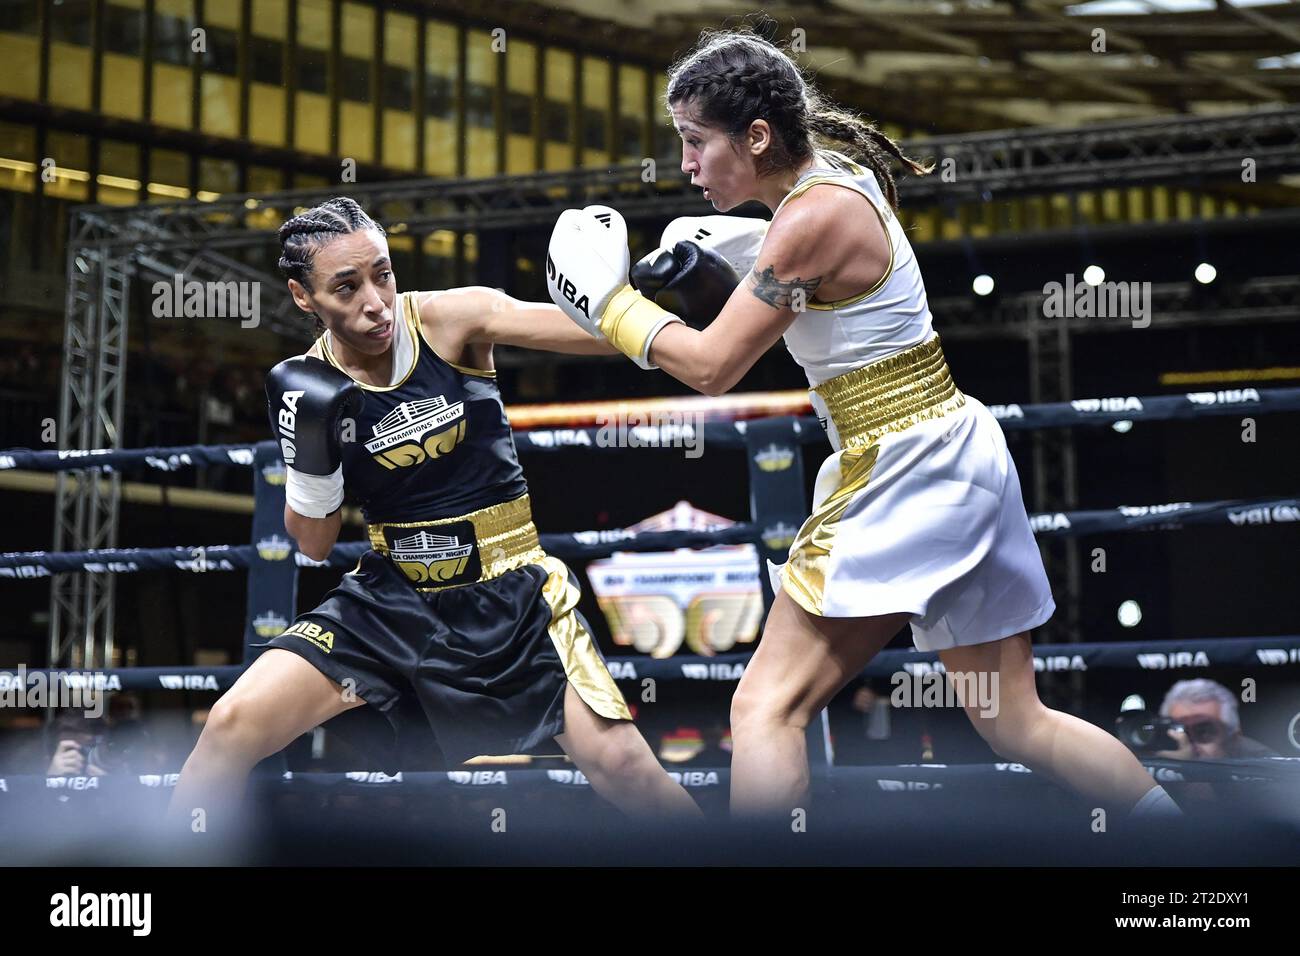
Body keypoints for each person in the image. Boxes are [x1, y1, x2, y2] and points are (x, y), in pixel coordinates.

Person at [544, 30, 1179, 821]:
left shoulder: (808, 222)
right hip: (954, 453)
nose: (686, 167)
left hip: (902, 466)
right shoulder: (827, 184)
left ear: (758, 136)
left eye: (696, 142)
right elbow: (794, 280)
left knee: (764, 707)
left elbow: (712, 367)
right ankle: (1189, 844)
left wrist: (611, 305)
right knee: (1017, 722)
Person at [168, 197, 701, 834]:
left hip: (510, 592)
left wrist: (653, 295)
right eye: (346, 286)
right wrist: (313, 463)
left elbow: (595, 333)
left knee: (626, 769)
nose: (375, 301)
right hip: (394, 600)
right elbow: (312, 546)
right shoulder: (305, 387)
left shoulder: (450, 320)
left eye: (382, 274)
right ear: (302, 296)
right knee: (229, 728)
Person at [1155, 679, 1277, 760]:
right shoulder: (1150, 765)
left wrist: (1186, 772)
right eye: (1178, 731)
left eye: (1203, 732)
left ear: (1234, 738)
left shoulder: (1265, 766)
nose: (1188, 745)